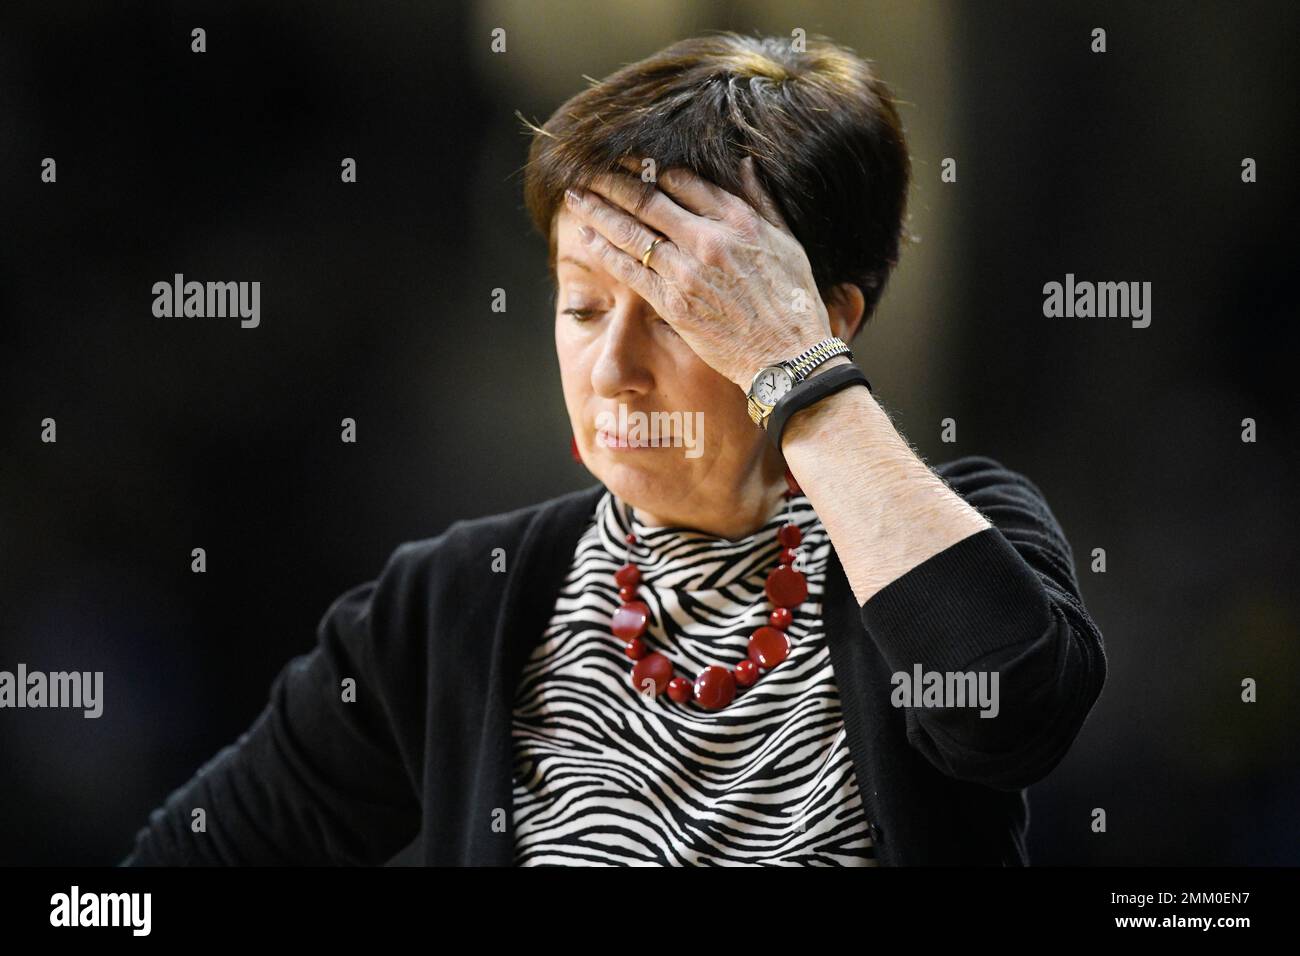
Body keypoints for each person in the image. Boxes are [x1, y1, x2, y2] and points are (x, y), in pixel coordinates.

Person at [121, 31, 1105, 867]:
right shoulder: (456, 601)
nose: (612, 368)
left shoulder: (959, 528)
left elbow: (1008, 710)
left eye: (682, 314)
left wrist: (800, 376)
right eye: (582, 305)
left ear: (818, 319)